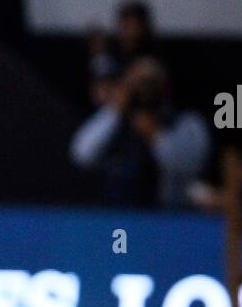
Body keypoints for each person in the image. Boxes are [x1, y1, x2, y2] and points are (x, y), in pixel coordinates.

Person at [70, 57, 211, 208]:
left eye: (149, 82)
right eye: (136, 83)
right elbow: (82, 155)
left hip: (169, 215)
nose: (144, 90)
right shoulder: (114, 119)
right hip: (115, 215)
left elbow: (186, 167)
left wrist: (155, 134)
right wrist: (116, 110)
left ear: (165, 85)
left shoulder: (185, 121)